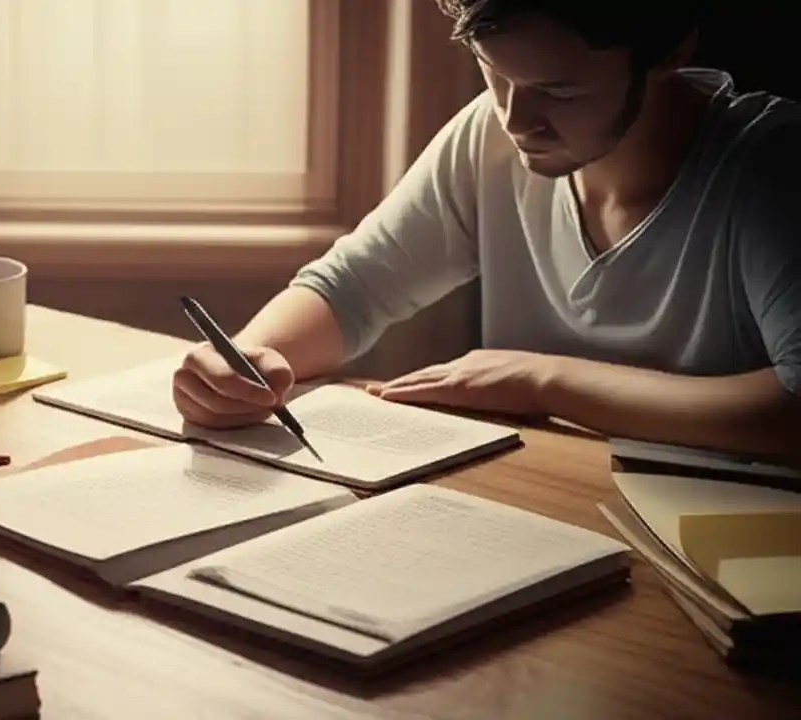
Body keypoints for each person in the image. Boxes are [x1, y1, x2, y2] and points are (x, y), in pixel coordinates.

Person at [172, 0, 801, 459]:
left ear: (671, 53)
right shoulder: (487, 138)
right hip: (545, 497)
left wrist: (542, 382)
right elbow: (353, 288)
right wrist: (249, 362)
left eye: (559, 91)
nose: (515, 118)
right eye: (493, 74)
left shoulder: (770, 166)